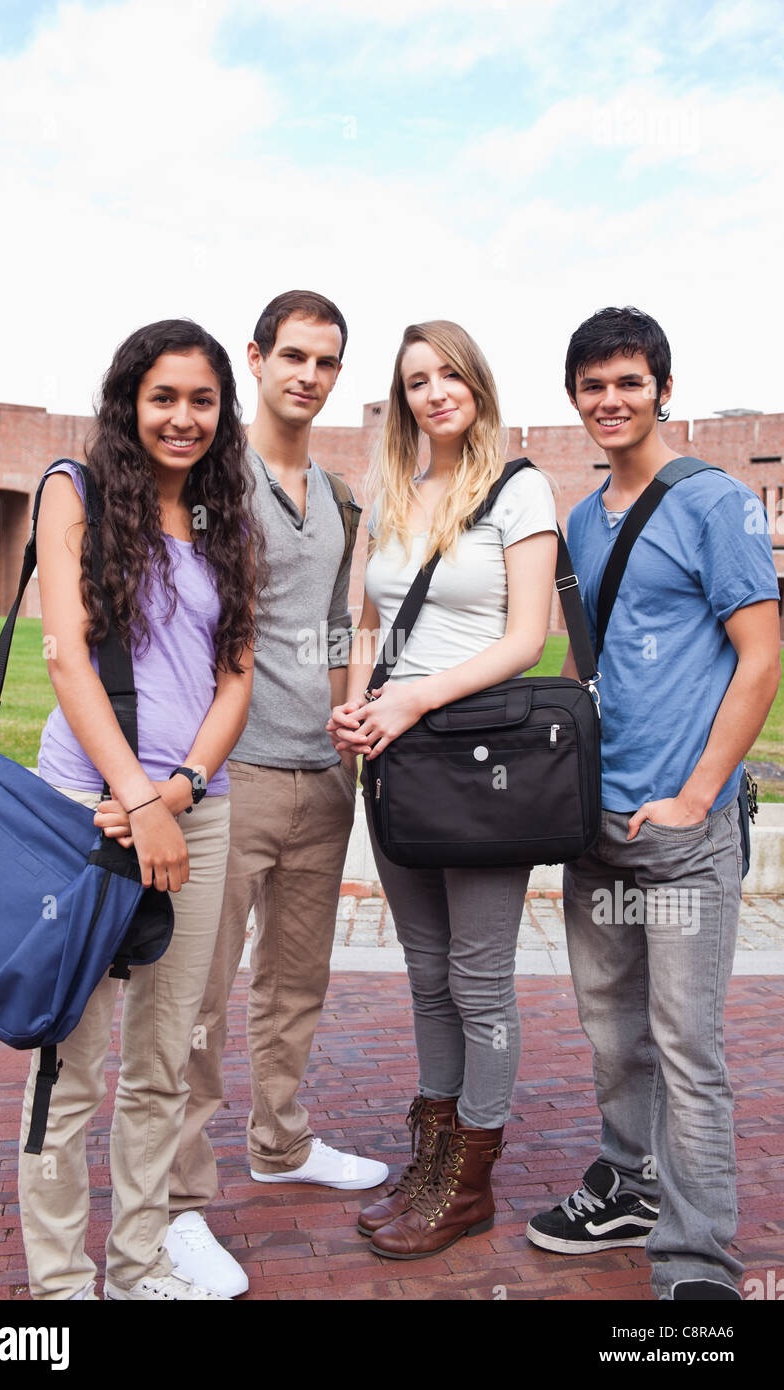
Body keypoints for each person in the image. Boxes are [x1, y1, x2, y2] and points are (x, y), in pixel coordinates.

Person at [525, 306, 781, 1301]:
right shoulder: (581, 521)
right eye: (591, 385)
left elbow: (760, 657)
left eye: (628, 381)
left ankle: (696, 1257)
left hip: (681, 834)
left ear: (661, 390)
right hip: (594, 828)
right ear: (575, 400)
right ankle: (627, 1188)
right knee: (609, 1034)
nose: (610, 399)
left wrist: (695, 795)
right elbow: (582, 662)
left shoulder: (712, 503)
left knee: (685, 1043)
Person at [17, 319, 261, 1301]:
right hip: (87, 810)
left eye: (202, 400)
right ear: (129, 401)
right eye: (164, 396)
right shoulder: (72, 492)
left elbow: (235, 679)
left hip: (195, 813)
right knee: (68, 1068)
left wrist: (185, 788)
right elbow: (66, 656)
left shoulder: (225, 522)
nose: (183, 417)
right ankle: (60, 1284)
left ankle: (138, 1264)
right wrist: (134, 797)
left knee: (166, 1061)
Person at [167, 291, 387, 1297]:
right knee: (196, 1000)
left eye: (326, 362)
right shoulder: (212, 483)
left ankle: (281, 1140)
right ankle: (171, 1205)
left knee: (295, 982)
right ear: (254, 359)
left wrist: (350, 704)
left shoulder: (338, 495)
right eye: (291, 356)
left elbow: (341, 626)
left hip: (321, 771)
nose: (307, 375)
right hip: (233, 773)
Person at [329, 320, 559, 1260]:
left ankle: (468, 1182)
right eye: (417, 379)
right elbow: (368, 618)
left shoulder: (520, 487)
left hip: (481, 764)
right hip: (397, 760)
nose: (435, 392)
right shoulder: (392, 490)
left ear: (477, 384)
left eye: (450, 374)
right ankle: (430, 1161)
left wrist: (414, 697)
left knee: (479, 978)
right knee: (427, 974)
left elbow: (527, 637)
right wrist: (356, 708)